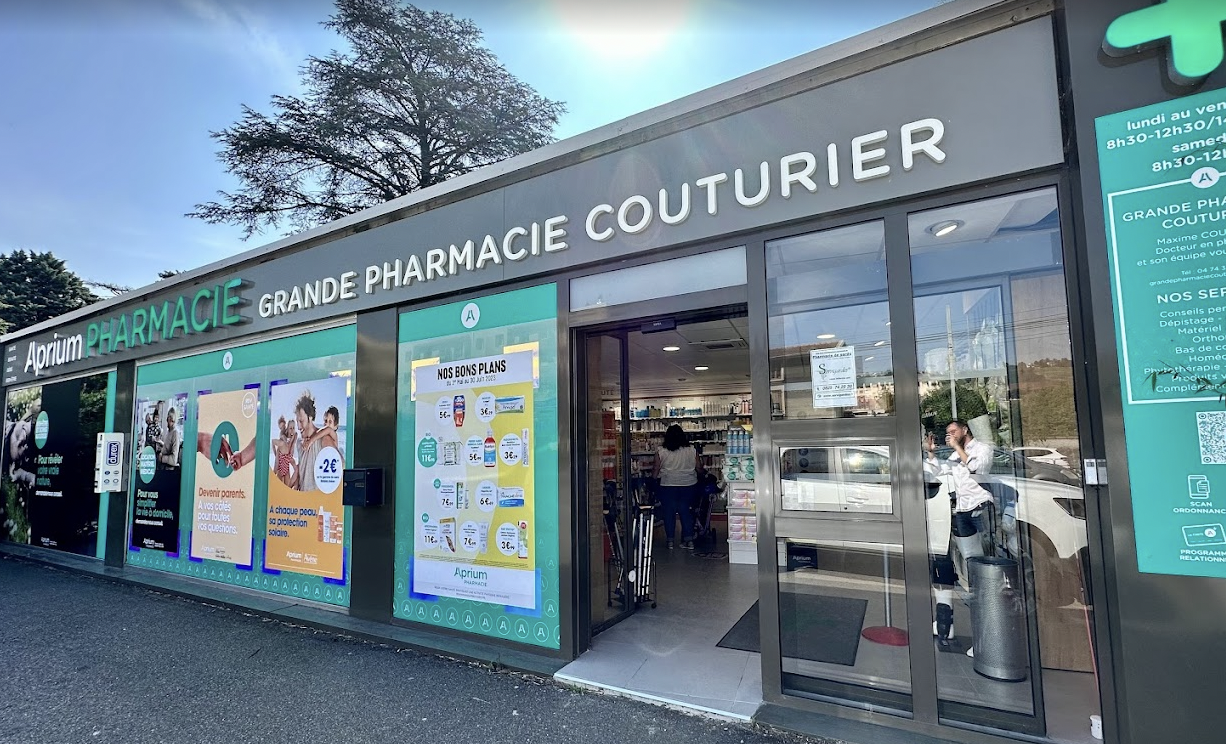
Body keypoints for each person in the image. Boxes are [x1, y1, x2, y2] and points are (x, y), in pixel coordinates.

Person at [924, 418, 995, 654]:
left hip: (976, 511)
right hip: (958, 512)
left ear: (965, 430)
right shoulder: (956, 456)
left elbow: (977, 469)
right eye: (948, 433)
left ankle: (987, 640)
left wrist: (956, 447)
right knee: (948, 564)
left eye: (954, 431)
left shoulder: (981, 449)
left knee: (977, 569)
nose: (950, 435)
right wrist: (932, 454)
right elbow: (939, 472)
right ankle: (945, 624)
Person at [651, 424, 699, 549]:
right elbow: (699, 467)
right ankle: (689, 540)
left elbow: (656, 468)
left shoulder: (661, 451)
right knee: (686, 511)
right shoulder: (691, 450)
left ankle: (670, 541)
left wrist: (653, 479)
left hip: (668, 484)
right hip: (688, 484)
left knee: (669, 512)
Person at [294, 390, 324, 492]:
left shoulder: (323, 438)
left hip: (318, 500)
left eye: (301, 421)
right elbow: (301, 470)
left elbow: (340, 466)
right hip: (303, 500)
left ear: (310, 418)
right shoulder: (299, 442)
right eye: (297, 421)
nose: (298, 426)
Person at [272, 416, 298, 487]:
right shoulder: (283, 435)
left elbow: (292, 447)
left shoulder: (294, 435)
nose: (282, 428)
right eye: (281, 427)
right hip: (281, 458)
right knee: (278, 479)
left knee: (288, 484)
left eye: (293, 428)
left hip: (287, 458)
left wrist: (290, 456)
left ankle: (295, 486)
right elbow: (276, 440)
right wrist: (275, 453)